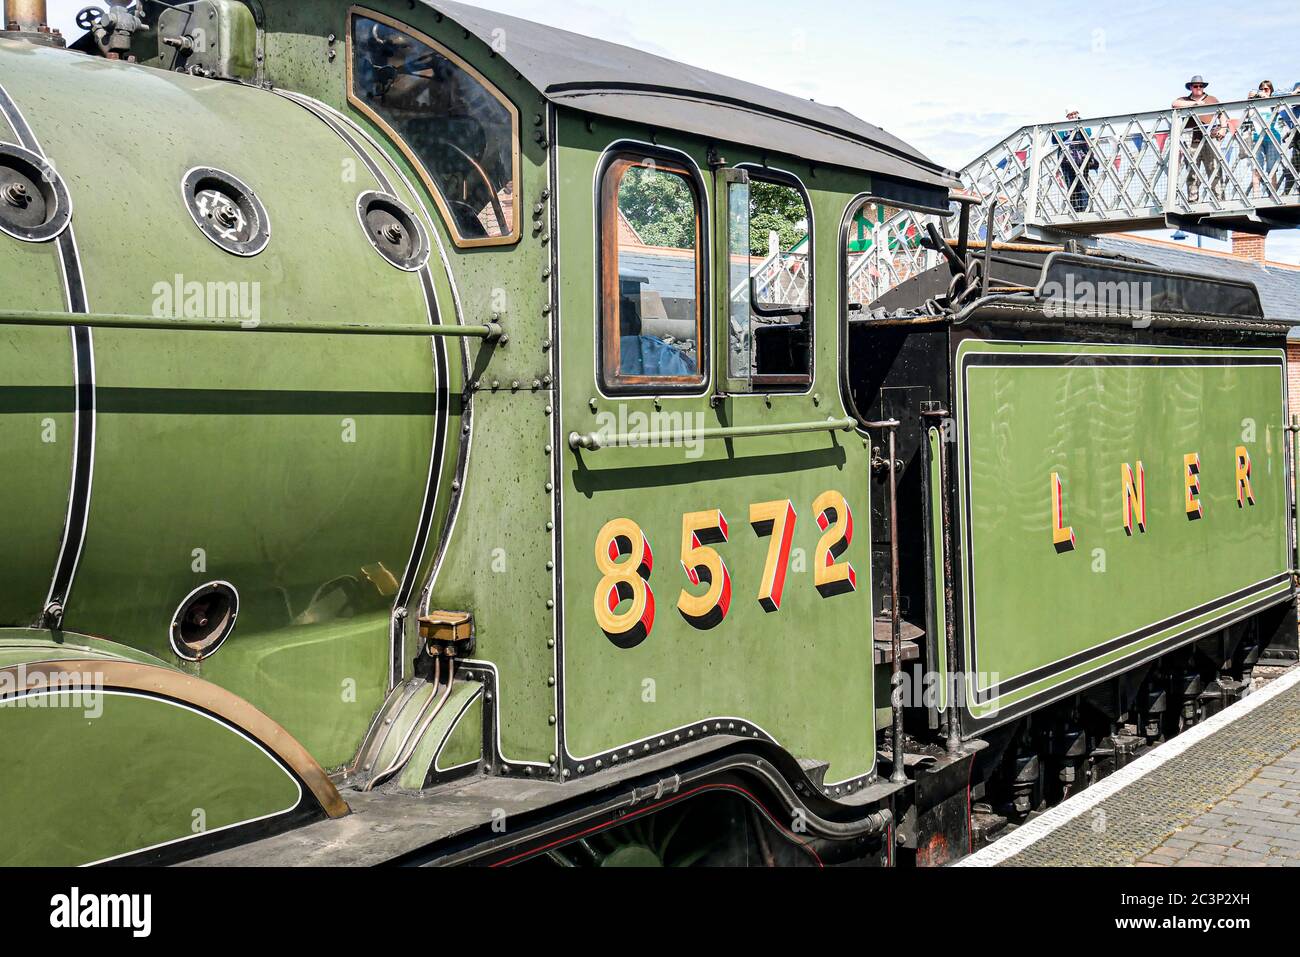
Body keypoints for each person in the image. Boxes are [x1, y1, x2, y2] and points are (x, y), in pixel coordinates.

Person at [1172, 75, 1224, 204]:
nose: (1199, 88)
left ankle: (1218, 198)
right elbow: (1174, 104)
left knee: (1214, 169)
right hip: (1192, 141)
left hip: (1210, 139)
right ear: (1191, 87)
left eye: (1201, 86)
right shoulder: (1184, 100)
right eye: (1196, 86)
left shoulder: (1212, 99)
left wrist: (1223, 128)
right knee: (1192, 172)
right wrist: (1194, 103)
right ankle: (1193, 200)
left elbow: (1222, 114)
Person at [1054, 110, 1097, 213]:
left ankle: (1085, 209)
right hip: (1066, 160)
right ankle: (1075, 209)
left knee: (1083, 183)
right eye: (1071, 114)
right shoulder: (1062, 126)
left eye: (1075, 114)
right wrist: (1066, 132)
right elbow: (1054, 139)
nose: (1073, 116)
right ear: (1067, 116)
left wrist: (1078, 127)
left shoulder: (1083, 124)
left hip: (1082, 159)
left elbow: (1088, 133)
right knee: (1070, 184)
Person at [1246, 81, 1281, 198]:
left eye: (1266, 89)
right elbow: (1248, 115)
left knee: (1272, 168)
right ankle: (1256, 195)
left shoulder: (1274, 102)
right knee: (1256, 167)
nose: (1263, 91)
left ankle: (1273, 195)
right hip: (1257, 138)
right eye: (1261, 89)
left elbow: (1280, 107)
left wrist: (1268, 98)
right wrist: (1249, 99)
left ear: (1271, 90)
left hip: (1272, 138)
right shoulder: (1256, 103)